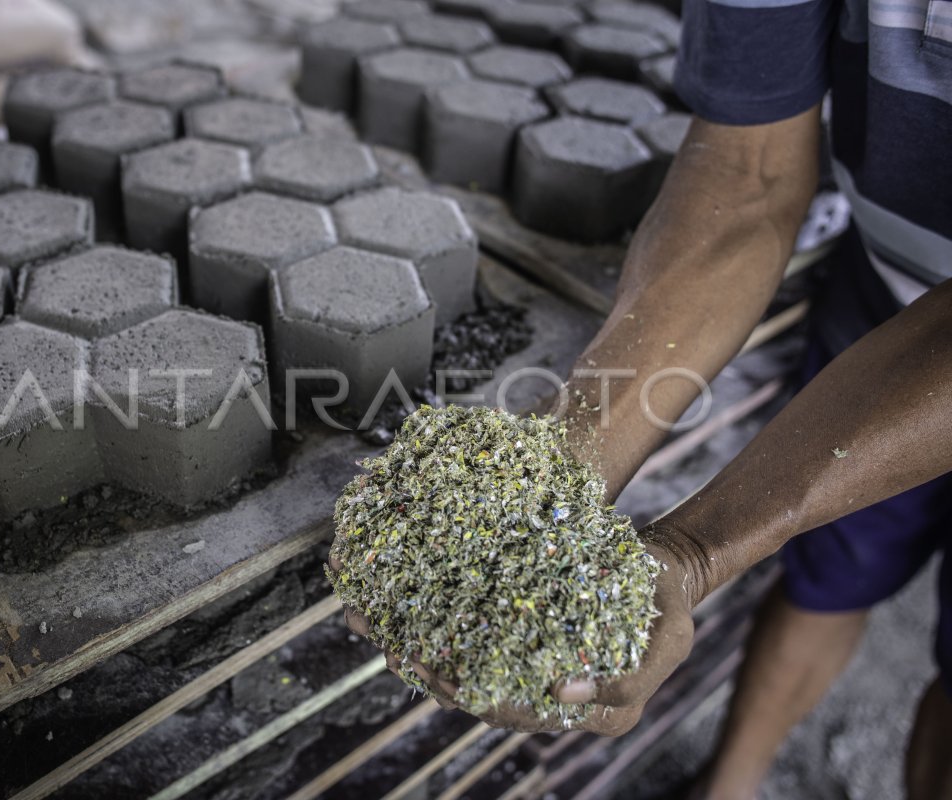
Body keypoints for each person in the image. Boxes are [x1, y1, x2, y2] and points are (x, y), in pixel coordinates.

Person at [331, 0, 952, 796]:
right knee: (832, 573)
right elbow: (749, 172)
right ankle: (730, 783)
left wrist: (697, 552)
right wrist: (551, 464)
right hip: (886, 282)